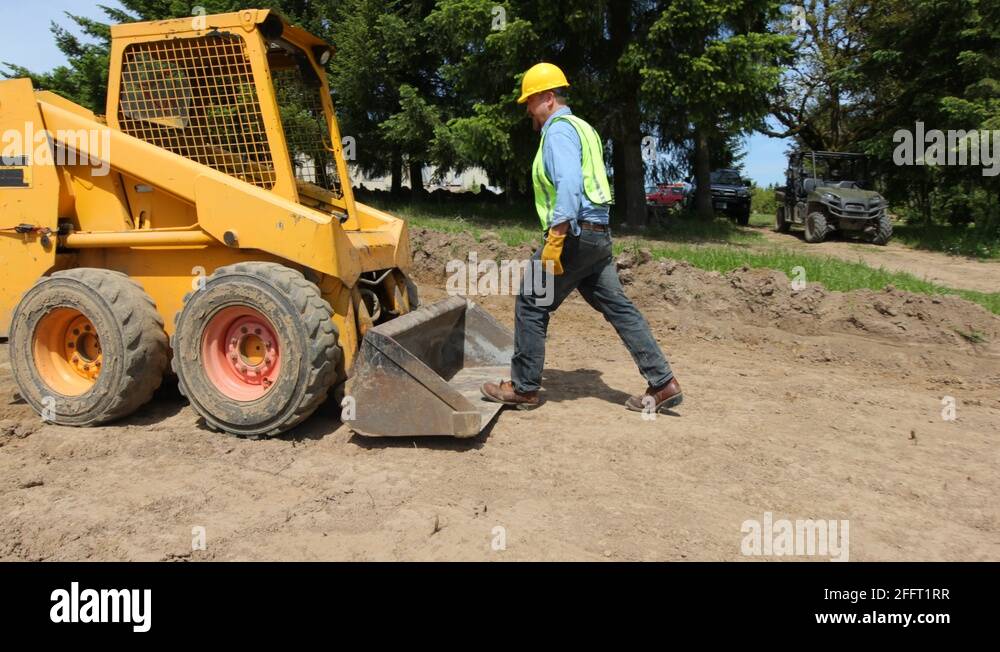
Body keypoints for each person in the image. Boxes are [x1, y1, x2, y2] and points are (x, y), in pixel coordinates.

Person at [480, 62, 683, 414]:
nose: (527, 109)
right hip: (597, 236)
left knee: (532, 301)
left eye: (529, 101)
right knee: (620, 309)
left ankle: (525, 388)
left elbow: (570, 183)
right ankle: (663, 382)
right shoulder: (583, 127)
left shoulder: (557, 131)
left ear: (547, 98)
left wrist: (557, 235)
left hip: (574, 234)